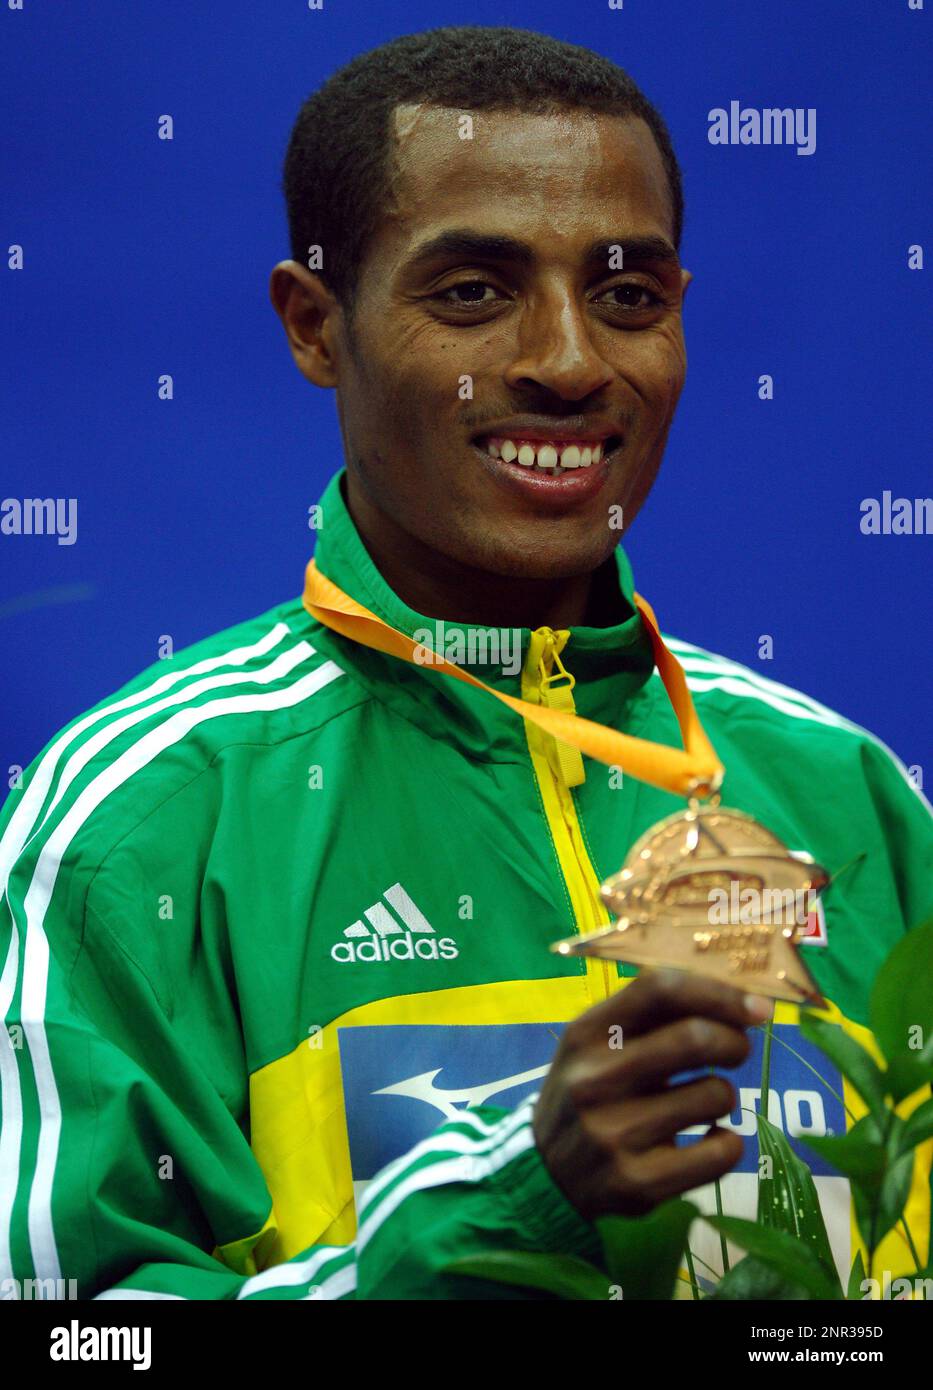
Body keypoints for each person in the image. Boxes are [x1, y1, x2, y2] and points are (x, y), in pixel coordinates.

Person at [1, 26, 929, 1302]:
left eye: (628, 296)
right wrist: (511, 1212)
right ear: (317, 326)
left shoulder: (847, 794)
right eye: (475, 293)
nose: (567, 361)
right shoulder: (146, 823)